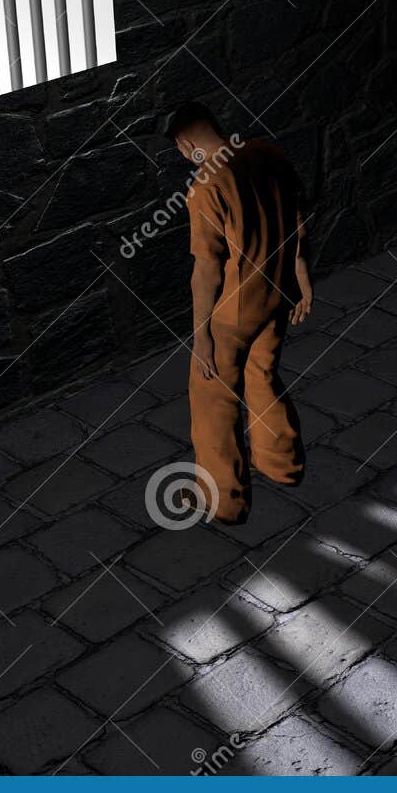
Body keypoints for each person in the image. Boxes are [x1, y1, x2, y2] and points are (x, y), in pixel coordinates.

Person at [161, 101, 313, 524]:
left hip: (234, 308)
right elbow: (298, 223)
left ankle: (222, 499)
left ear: (187, 143)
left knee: (213, 398)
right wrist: (303, 279)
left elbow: (207, 269)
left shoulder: (207, 186)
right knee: (262, 375)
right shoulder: (268, 153)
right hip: (277, 293)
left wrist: (201, 336)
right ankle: (283, 464)